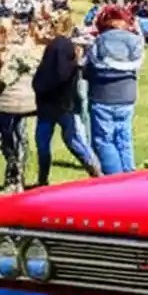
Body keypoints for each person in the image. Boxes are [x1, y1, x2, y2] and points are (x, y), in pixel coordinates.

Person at [32, 17, 100, 186]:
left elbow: (57, 73)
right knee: (73, 140)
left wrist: (39, 86)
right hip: (63, 101)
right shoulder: (66, 46)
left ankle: (42, 178)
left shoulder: (56, 46)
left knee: (44, 142)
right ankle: (96, 171)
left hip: (50, 101)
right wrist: (76, 65)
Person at [84, 5, 144, 174]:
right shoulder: (135, 41)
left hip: (103, 96)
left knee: (104, 140)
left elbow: (89, 69)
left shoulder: (99, 41)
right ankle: (129, 173)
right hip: (127, 96)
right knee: (124, 137)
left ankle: (116, 178)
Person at [0, 28, 40, 193]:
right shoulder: (33, 56)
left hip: (8, 103)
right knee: (21, 139)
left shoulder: (4, 56)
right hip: (28, 103)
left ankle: (13, 177)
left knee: (9, 141)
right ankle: (19, 177)